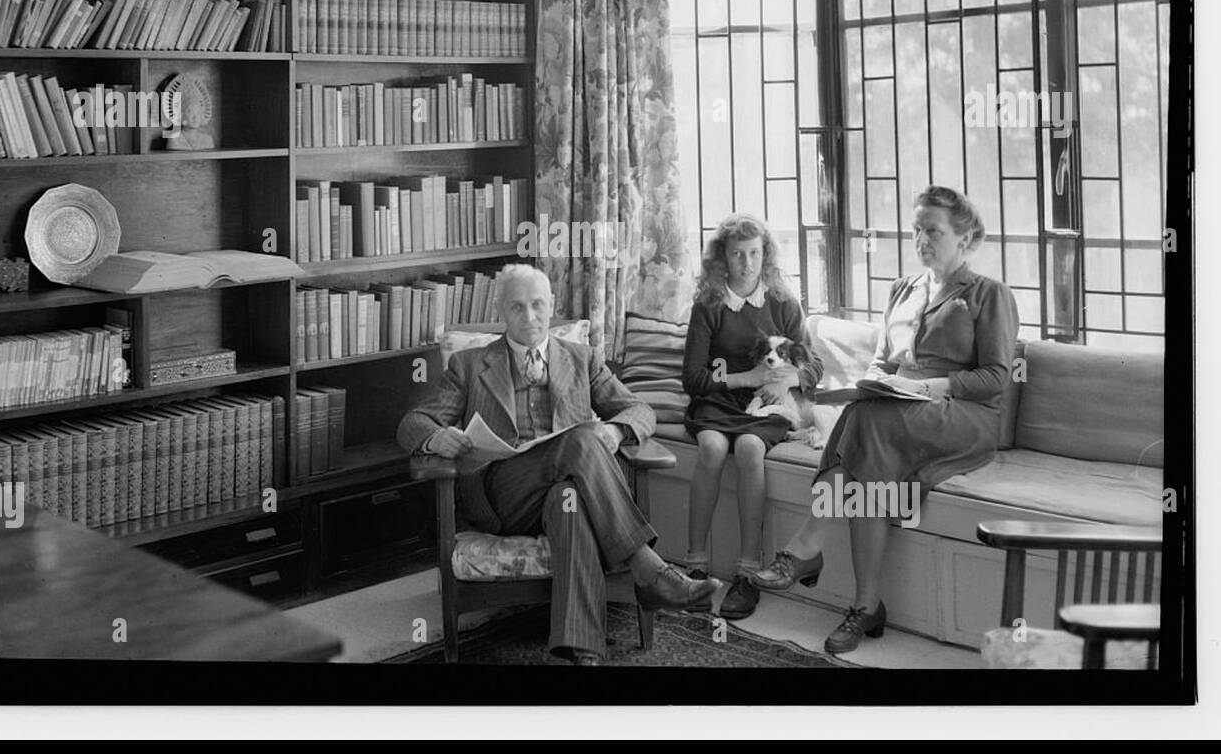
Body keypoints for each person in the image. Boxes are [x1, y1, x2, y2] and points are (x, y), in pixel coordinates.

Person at [397, 264, 716, 665]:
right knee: (582, 440)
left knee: (569, 496)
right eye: (517, 307)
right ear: (501, 311)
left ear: (551, 307)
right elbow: (412, 423)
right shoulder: (469, 365)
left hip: (560, 495)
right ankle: (649, 569)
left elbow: (639, 410)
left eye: (537, 306)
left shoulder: (583, 360)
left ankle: (582, 650)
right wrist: (435, 437)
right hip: (502, 497)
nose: (529, 317)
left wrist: (616, 433)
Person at [752, 186, 1020, 653]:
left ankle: (806, 547)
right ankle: (865, 607)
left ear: (965, 237)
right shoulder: (902, 290)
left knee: (867, 420)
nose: (920, 239)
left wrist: (929, 388)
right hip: (897, 413)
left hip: (963, 415)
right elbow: (881, 364)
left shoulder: (988, 295)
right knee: (868, 452)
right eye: (915, 230)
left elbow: (996, 377)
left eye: (932, 230)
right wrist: (875, 383)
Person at [680, 214, 823, 620]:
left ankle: (747, 571)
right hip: (719, 400)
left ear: (766, 255)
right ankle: (694, 567)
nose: (747, 262)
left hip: (769, 404)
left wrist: (787, 379)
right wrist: (747, 375)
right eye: (738, 253)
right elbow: (693, 378)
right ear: (722, 257)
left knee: (748, 449)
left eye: (755, 253)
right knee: (710, 446)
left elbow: (815, 368)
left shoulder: (783, 302)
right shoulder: (708, 305)